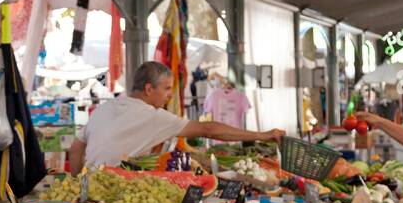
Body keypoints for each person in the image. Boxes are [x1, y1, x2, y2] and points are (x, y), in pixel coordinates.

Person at [68, 61, 284, 173]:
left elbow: (76, 148)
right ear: (149, 89)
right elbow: (208, 130)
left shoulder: (106, 107)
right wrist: (263, 135)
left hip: (91, 190)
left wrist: (78, 181)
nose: (170, 95)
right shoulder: (152, 116)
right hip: (113, 193)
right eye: (167, 88)